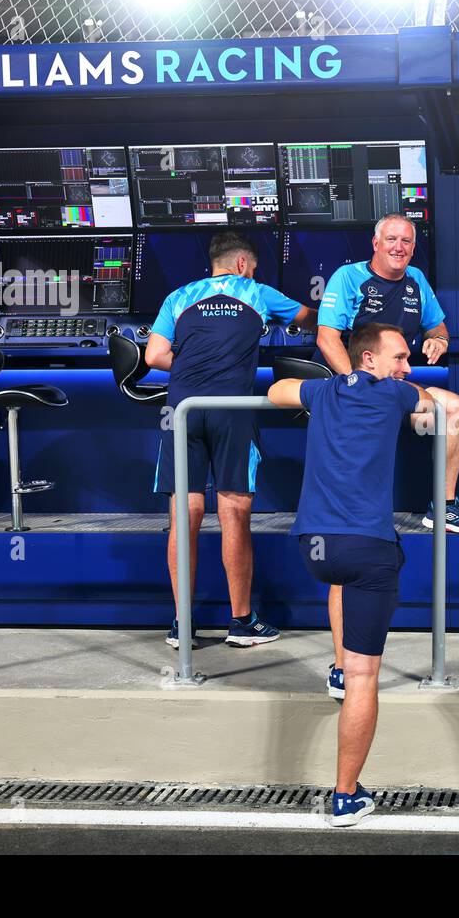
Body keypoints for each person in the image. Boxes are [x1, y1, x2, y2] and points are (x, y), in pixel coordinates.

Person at [268, 322, 430, 827]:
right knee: (366, 675)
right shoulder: (395, 395)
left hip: (314, 548)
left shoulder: (324, 390)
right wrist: (400, 386)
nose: (407, 366)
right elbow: (423, 398)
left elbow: (276, 390)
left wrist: (334, 385)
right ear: (369, 360)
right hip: (367, 549)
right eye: (399, 357)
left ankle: (336, 667)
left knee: (343, 582)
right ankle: (345, 795)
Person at [146, 231, 316, 649]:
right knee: (234, 513)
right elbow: (309, 317)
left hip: (182, 410)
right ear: (242, 265)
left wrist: (192, 370)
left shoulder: (179, 295)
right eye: (253, 267)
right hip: (231, 410)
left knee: (183, 516)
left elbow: (153, 356)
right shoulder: (256, 292)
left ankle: (182, 625)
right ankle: (241, 622)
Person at [315, 212, 459, 536]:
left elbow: (438, 327)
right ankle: (348, 520)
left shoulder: (416, 280)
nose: (399, 247)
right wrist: (357, 383)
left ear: (413, 247)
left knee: (455, 409)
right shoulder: (348, 277)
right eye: (391, 239)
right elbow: (326, 338)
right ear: (376, 243)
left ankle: (444, 507)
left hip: (393, 388)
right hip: (348, 388)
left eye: (406, 241)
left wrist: (437, 340)